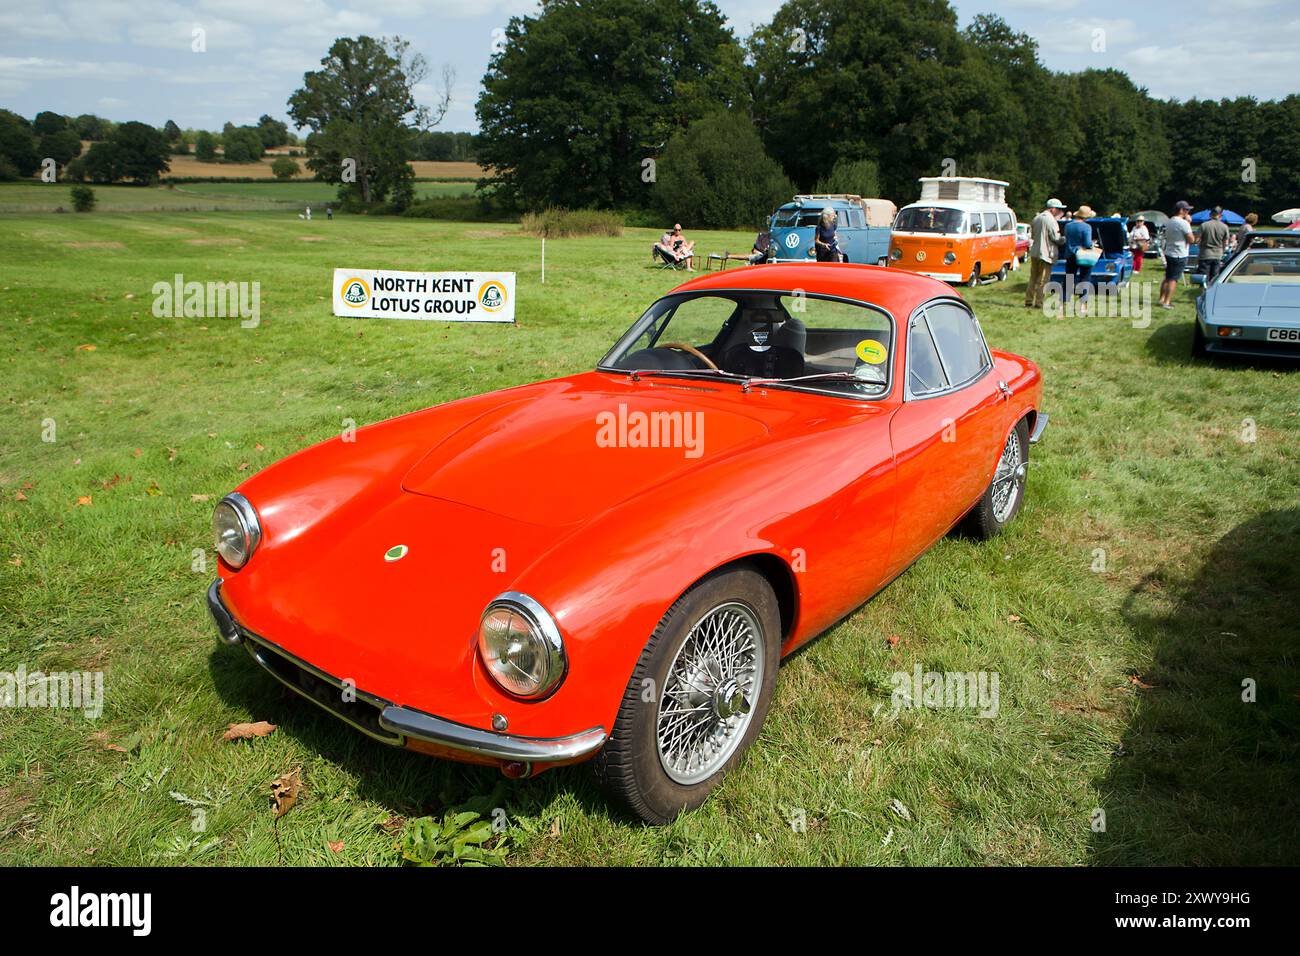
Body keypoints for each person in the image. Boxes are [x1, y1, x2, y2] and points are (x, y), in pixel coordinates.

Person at [1025, 198, 1066, 309]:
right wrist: (1064, 239)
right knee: (1043, 279)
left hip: (1034, 252)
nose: (1059, 211)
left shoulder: (1036, 218)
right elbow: (1055, 238)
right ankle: (1039, 302)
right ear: (1053, 209)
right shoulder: (1051, 220)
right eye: (1058, 209)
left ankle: (1028, 300)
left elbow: (1033, 235)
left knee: (1033, 277)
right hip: (1046, 253)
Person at [1063, 205, 1099, 315]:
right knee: (1084, 279)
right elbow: (1087, 243)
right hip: (1083, 255)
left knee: (1069, 278)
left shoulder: (1068, 225)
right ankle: (1082, 305)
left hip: (1070, 254)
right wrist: (1093, 244)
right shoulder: (1086, 227)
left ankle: (1064, 301)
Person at [1159, 200, 1194, 309]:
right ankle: (1167, 302)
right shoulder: (1183, 223)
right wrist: (1188, 223)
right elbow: (1191, 239)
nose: (1188, 212)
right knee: (1173, 279)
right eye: (1186, 210)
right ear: (1181, 210)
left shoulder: (1169, 221)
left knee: (1167, 277)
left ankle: (1161, 299)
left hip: (1169, 252)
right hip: (1179, 254)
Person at [1197, 206, 1231, 282]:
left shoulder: (1204, 225)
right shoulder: (1225, 227)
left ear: (1210, 215)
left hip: (1205, 253)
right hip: (1218, 254)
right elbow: (1225, 242)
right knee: (1215, 277)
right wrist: (1222, 250)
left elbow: (1197, 240)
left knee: (1204, 277)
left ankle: (1203, 291)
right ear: (1220, 215)